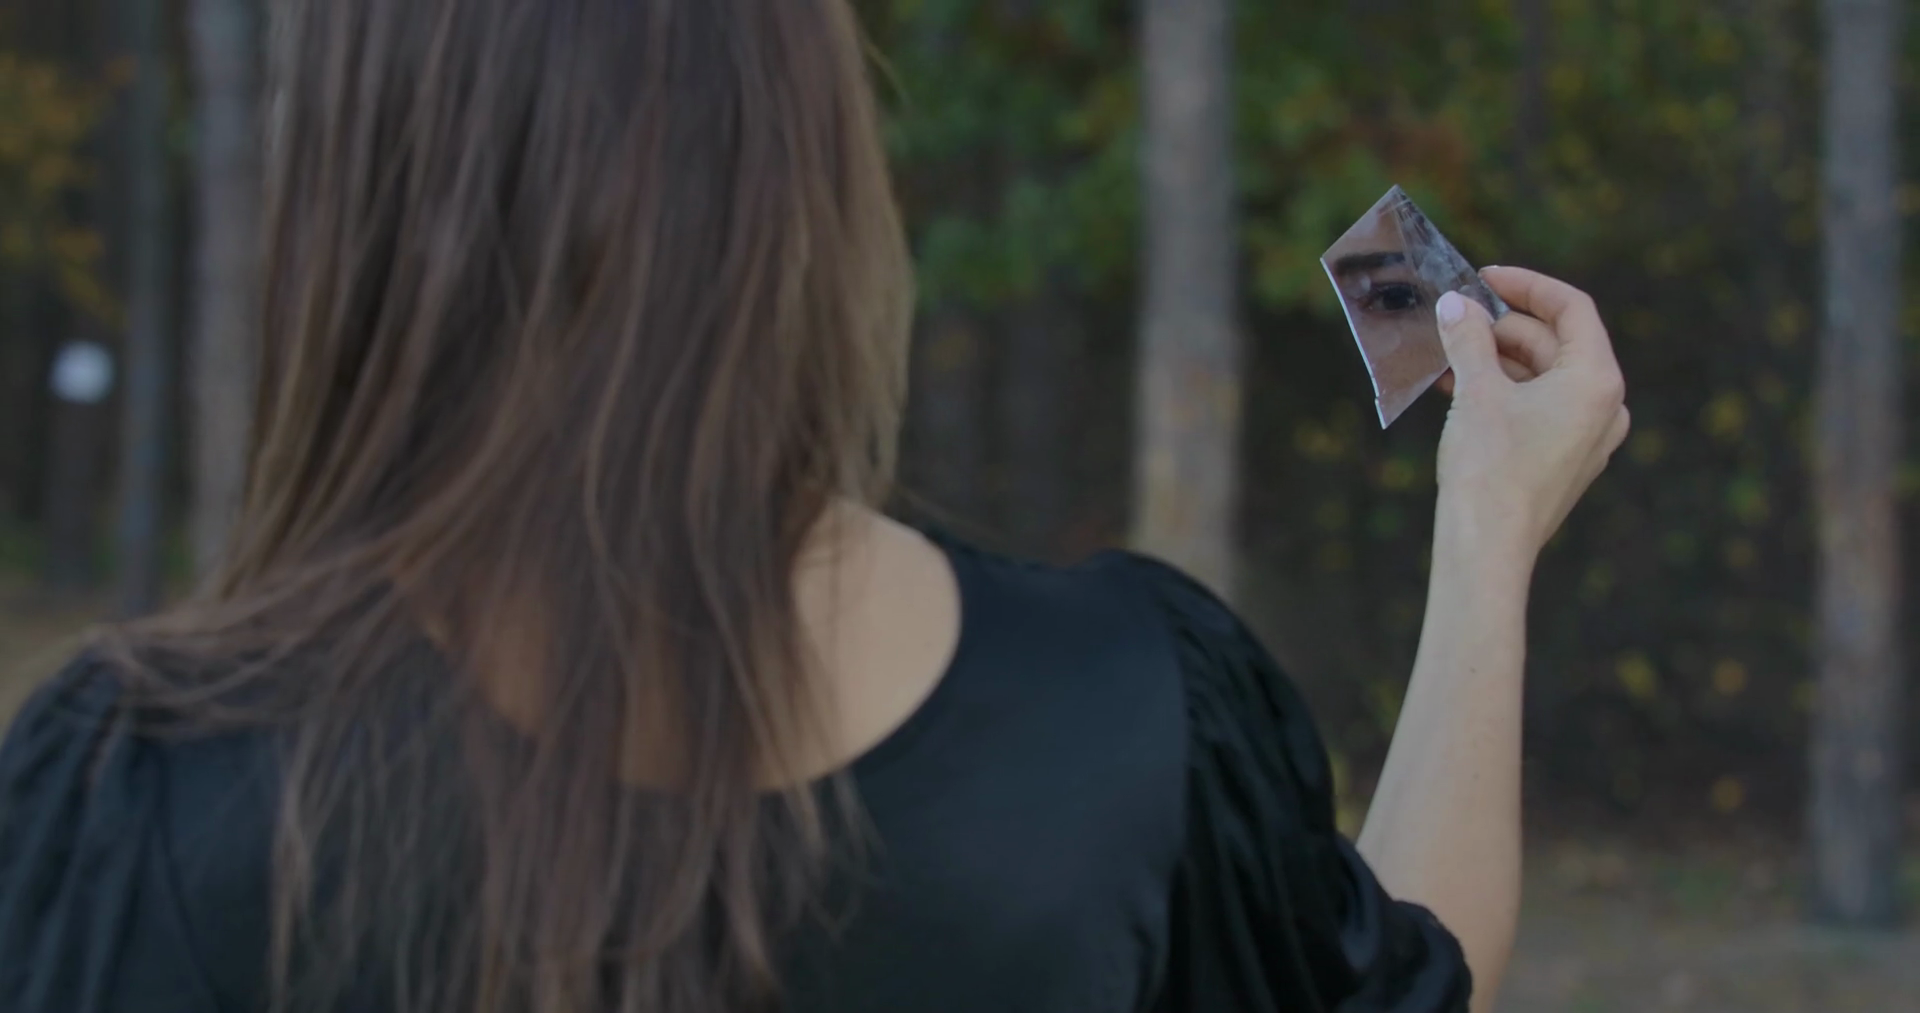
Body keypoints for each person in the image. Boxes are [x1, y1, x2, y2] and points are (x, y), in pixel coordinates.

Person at [0, 1, 1628, 1011]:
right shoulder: (1130, 728)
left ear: (351, 185)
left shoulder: (134, 802)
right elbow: (1398, 982)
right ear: (807, 158)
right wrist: (1487, 531)